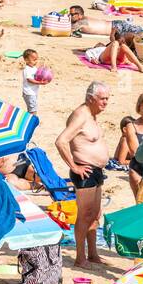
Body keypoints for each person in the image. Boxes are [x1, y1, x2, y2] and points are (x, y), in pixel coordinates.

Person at [53, 82, 110, 268]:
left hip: (96, 171)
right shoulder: (81, 115)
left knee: (95, 214)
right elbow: (61, 141)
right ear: (91, 98)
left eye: (107, 98)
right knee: (84, 215)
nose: (106, 103)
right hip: (84, 171)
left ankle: (93, 254)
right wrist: (74, 167)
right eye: (102, 99)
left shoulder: (92, 115)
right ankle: (80, 257)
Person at [20, 48, 42, 115]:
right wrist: (40, 83)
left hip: (33, 92)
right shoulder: (27, 69)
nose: (36, 61)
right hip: (29, 93)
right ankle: (30, 122)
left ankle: (28, 120)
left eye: (36, 59)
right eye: (34, 60)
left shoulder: (34, 68)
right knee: (33, 111)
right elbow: (29, 80)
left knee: (32, 109)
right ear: (26, 60)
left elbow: (37, 76)